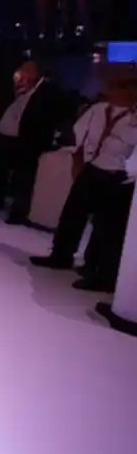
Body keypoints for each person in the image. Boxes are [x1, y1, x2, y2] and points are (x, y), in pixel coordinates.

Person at [30, 75, 137, 292]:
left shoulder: (134, 119)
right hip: (92, 168)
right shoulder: (98, 110)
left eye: (119, 87)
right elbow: (78, 135)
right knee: (72, 215)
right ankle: (61, 256)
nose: (112, 91)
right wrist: (78, 162)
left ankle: (100, 272)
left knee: (107, 227)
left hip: (119, 177)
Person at [0, 61, 63, 226]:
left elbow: (44, 118)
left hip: (30, 142)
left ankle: (19, 212)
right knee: (5, 170)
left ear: (35, 73)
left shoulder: (47, 92)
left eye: (26, 70)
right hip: (12, 140)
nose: (21, 73)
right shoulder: (24, 89)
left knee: (24, 178)